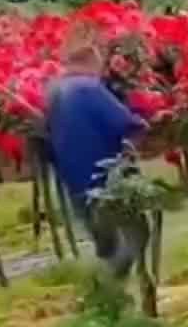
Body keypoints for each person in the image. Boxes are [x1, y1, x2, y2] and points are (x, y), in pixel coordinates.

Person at [44, 24, 145, 275]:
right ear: (90, 63)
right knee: (133, 234)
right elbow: (123, 122)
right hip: (104, 173)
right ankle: (114, 285)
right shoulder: (88, 88)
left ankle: (109, 288)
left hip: (73, 178)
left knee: (102, 237)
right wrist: (144, 123)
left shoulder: (54, 91)